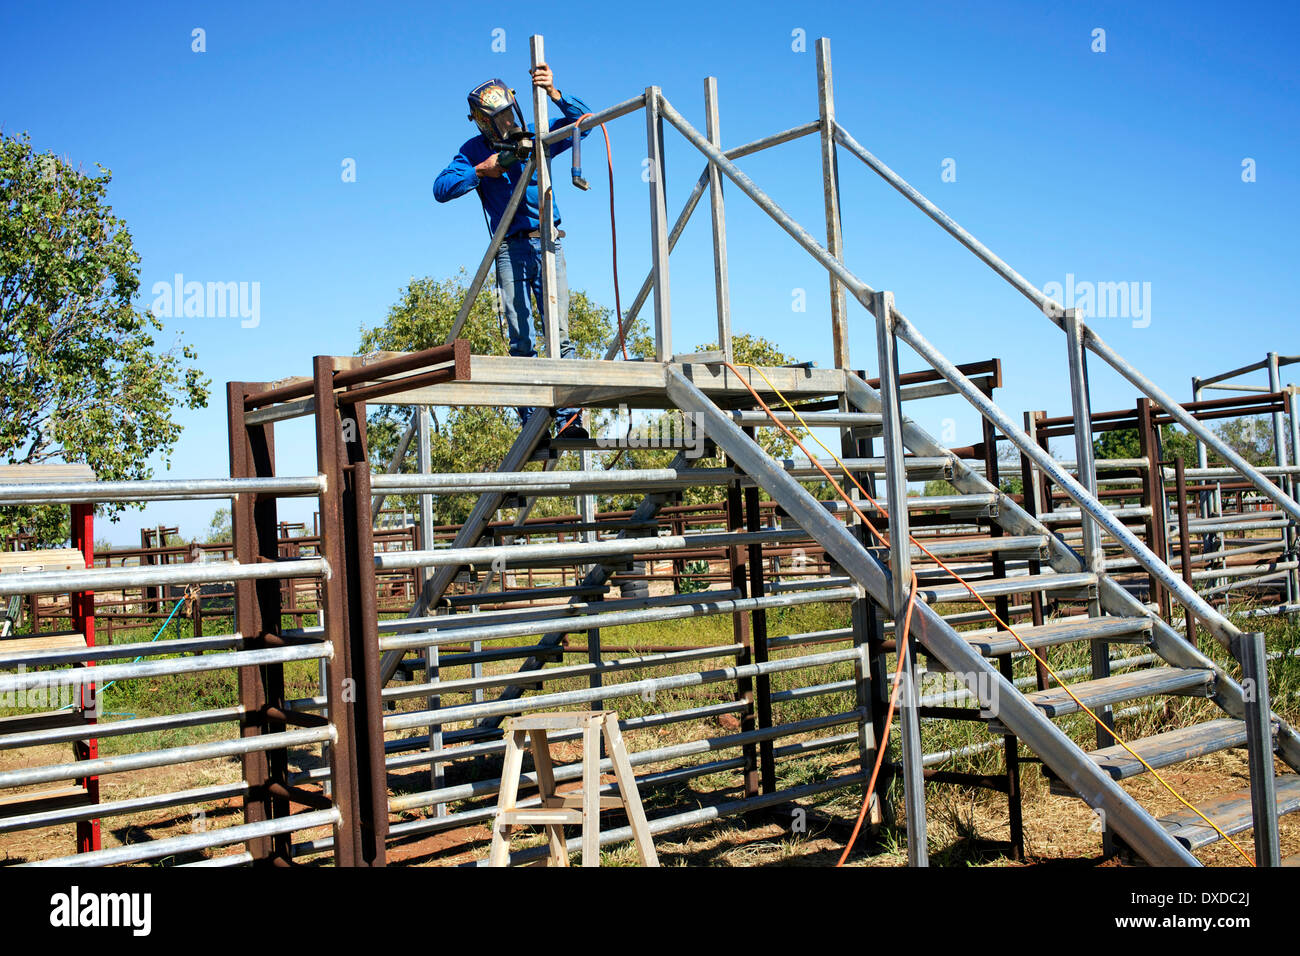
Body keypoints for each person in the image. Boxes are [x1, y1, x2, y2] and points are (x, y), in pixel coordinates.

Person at [434, 64, 591, 439]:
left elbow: (583, 122)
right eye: (497, 118)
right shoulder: (472, 151)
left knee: (560, 335)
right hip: (510, 249)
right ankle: (534, 423)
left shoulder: (538, 133)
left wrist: (554, 91)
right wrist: (482, 170)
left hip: (549, 241)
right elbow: (442, 188)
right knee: (521, 337)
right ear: (483, 123)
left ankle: (569, 418)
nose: (506, 123)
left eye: (508, 114)